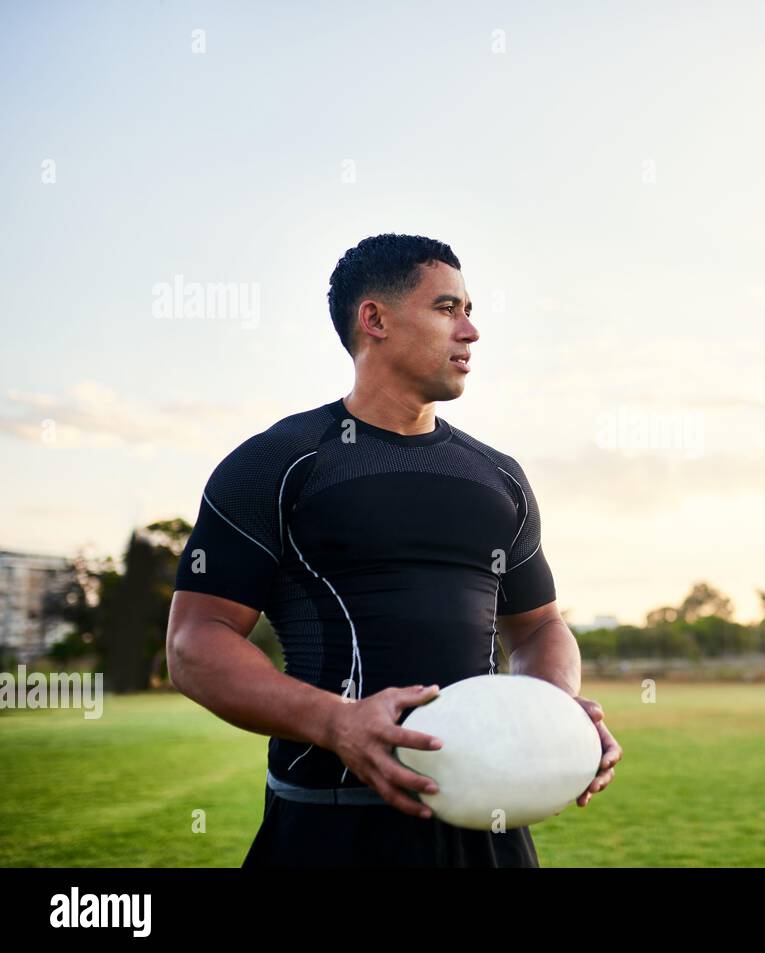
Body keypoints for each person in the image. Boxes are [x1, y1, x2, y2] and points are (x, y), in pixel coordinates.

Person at [165, 233, 621, 866]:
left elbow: (540, 626)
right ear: (373, 319)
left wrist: (553, 712)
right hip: (329, 832)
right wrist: (337, 723)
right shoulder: (277, 462)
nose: (472, 331)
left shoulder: (497, 476)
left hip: (491, 840)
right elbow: (194, 644)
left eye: (469, 310)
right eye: (447, 308)